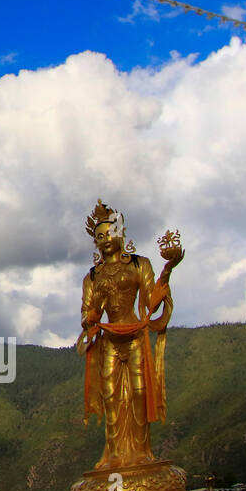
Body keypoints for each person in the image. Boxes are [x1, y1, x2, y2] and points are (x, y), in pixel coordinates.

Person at [76, 200, 182, 469]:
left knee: (138, 393)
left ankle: (141, 453)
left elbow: (151, 302)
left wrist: (167, 269)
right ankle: (115, 456)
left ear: (121, 234)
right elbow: (87, 313)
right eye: (99, 236)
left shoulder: (139, 265)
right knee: (111, 397)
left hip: (134, 336)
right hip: (110, 338)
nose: (105, 239)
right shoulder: (92, 277)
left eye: (109, 233)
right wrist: (90, 318)